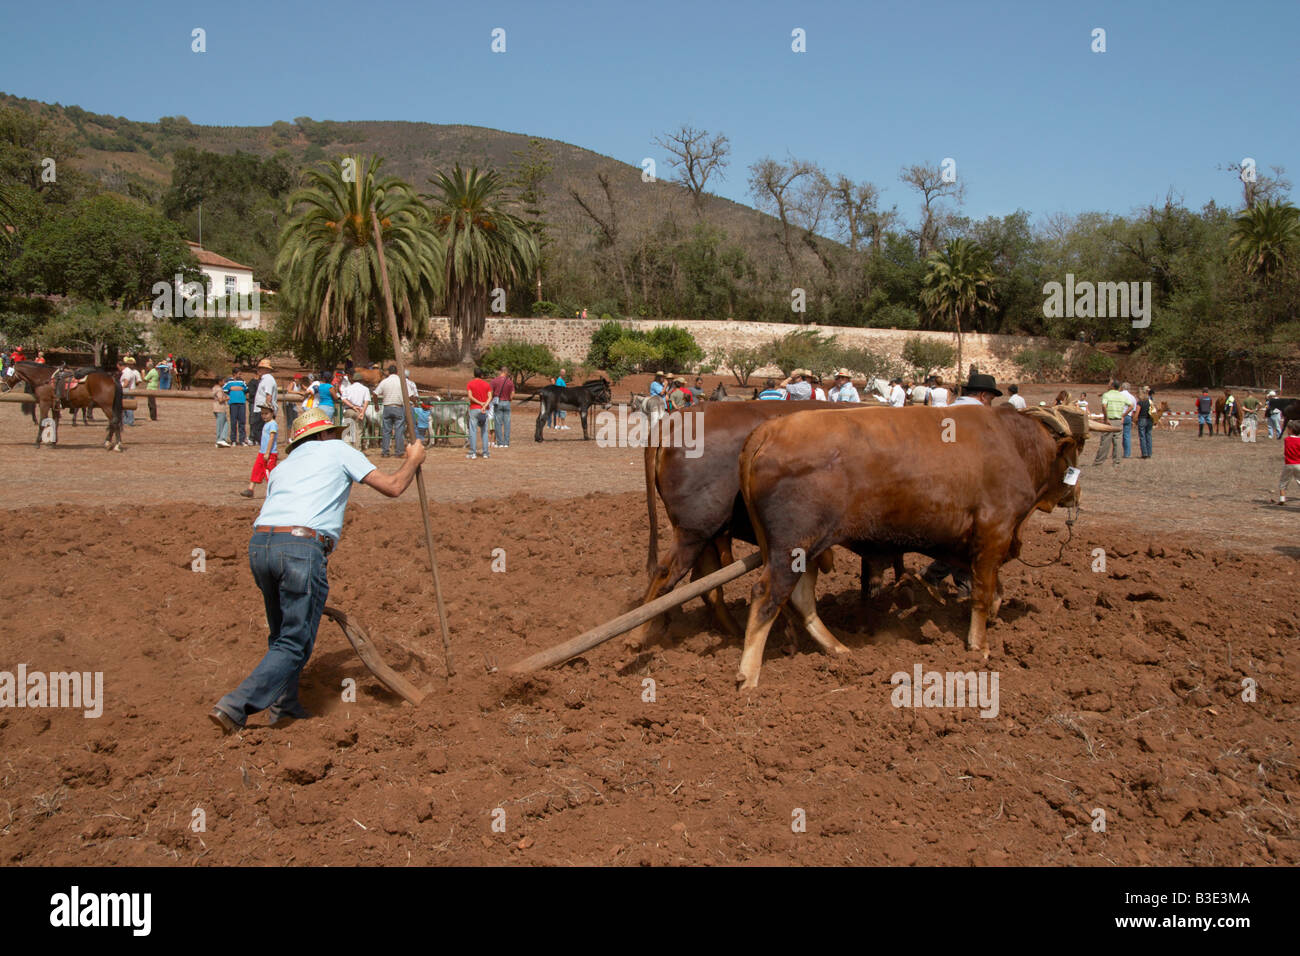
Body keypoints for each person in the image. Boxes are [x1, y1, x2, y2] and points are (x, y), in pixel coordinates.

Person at [209, 409, 427, 733]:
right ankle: (236, 705)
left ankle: (285, 706)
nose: (336, 438)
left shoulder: (282, 468)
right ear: (323, 435)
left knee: (281, 636)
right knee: (295, 642)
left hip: (261, 545)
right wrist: (414, 458)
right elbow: (394, 487)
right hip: (300, 548)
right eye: (333, 433)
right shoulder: (337, 451)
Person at [922, 373, 1003, 594]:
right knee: (966, 537)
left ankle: (946, 580)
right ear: (984, 395)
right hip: (964, 487)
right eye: (991, 398)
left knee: (958, 538)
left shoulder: (943, 410)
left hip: (930, 483)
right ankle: (948, 580)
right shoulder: (982, 416)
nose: (990, 403)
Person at [241, 408, 279, 498]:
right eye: (262, 414)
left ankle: (274, 491)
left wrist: (267, 452)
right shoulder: (266, 424)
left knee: (269, 472)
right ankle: (250, 489)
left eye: (266, 413)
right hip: (262, 452)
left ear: (272, 413)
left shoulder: (273, 424)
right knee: (257, 469)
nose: (264, 416)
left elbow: (271, 438)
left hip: (270, 453)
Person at [374, 364, 406, 457]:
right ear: (397, 372)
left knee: (386, 431)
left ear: (388, 372)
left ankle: (385, 452)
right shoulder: (402, 381)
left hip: (387, 407)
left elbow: (375, 393)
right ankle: (399, 452)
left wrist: (376, 405)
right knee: (399, 430)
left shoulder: (385, 381)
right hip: (398, 407)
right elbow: (410, 395)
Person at [1093, 380, 1127, 466]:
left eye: (1109, 384)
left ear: (1112, 386)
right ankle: (1117, 462)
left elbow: (1104, 405)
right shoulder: (1121, 395)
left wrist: (1106, 418)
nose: (1107, 385)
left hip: (1109, 421)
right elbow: (1131, 405)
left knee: (1105, 441)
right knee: (1118, 442)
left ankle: (1099, 461)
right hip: (1118, 420)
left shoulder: (1107, 395)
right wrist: (1123, 415)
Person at [466, 368, 493, 459]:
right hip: (484, 410)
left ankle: (473, 452)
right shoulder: (486, 384)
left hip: (474, 408)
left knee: (473, 431)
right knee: (484, 431)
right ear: (481, 375)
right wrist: (484, 405)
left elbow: (470, 396)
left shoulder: (470, 384)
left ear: (474, 374)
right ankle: (485, 452)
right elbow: (490, 397)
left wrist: (478, 403)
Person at [251, 359, 277, 445]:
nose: (259, 370)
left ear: (267, 369)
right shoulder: (264, 379)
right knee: (258, 428)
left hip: (263, 409)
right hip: (261, 408)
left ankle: (266, 446)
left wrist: (266, 410)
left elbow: (268, 395)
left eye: (261, 368)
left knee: (258, 428)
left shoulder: (268, 379)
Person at [340, 375, 370, 449]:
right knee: (358, 432)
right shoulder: (365, 389)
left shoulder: (348, 388)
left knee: (347, 431)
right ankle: (357, 450)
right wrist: (362, 412)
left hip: (348, 410)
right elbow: (366, 401)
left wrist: (352, 406)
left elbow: (343, 399)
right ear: (362, 380)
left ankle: (348, 448)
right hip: (359, 411)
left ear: (353, 380)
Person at [223, 368, 250, 446]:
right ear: (234, 374)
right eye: (239, 374)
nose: (240, 375)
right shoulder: (229, 381)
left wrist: (236, 388)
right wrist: (233, 389)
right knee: (233, 422)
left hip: (242, 402)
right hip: (233, 403)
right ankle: (233, 440)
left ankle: (242, 439)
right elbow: (225, 389)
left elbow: (246, 389)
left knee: (242, 421)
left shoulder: (242, 381)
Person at [490, 365, 514, 448]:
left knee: (498, 423)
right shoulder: (510, 382)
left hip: (498, 402)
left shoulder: (494, 381)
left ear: (501, 371)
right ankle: (506, 443)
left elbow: (491, 392)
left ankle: (500, 442)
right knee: (507, 423)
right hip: (507, 402)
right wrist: (509, 400)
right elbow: (512, 394)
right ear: (506, 372)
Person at [1278, 421, 1300, 505]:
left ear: (1291, 430)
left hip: (1288, 464)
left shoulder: (1286, 440)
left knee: (1283, 482)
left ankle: (1282, 499)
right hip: (1299, 464)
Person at [119, 357, 141, 426]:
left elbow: (126, 383)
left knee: (129, 406)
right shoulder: (129, 371)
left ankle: (130, 421)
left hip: (127, 390)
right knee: (125, 406)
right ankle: (126, 421)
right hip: (127, 390)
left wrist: (120, 389)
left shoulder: (128, 372)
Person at [1118, 381, 1138, 457]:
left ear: (1122, 387)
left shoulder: (1118, 395)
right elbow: (1134, 410)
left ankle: (1117, 453)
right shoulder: (1132, 397)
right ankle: (1127, 453)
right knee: (1127, 435)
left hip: (1119, 416)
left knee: (1117, 435)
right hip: (1128, 416)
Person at [1136, 387, 1155, 458]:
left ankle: (1144, 453)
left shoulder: (1140, 402)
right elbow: (1153, 411)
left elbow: (1137, 413)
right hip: (1150, 420)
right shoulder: (1150, 402)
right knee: (1149, 436)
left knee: (1142, 436)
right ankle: (1149, 453)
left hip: (1142, 419)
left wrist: (1134, 420)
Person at [212, 378, 230, 447]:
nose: (224, 382)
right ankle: (219, 439)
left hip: (216, 408)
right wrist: (227, 398)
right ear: (219, 382)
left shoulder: (214, 388)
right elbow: (220, 400)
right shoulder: (219, 389)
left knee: (225, 423)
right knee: (221, 425)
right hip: (220, 409)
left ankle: (222, 439)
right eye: (223, 381)